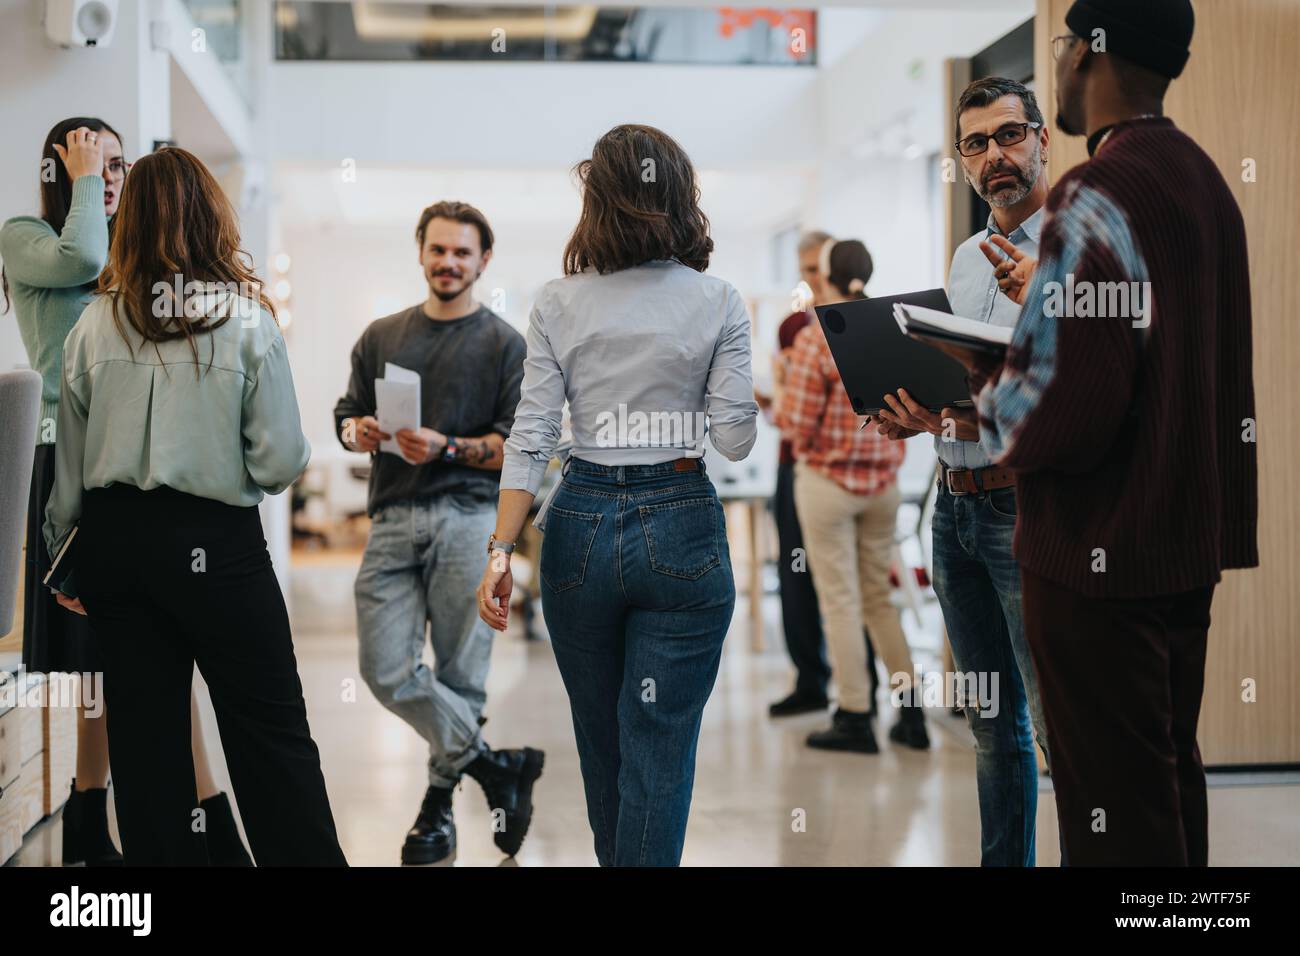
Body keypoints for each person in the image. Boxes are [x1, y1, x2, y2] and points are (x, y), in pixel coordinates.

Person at [947, 0, 1256, 865]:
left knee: (1111, 812)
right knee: (1164, 783)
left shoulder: (1095, 192)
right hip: (1180, 542)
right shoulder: (1202, 180)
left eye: (1062, 46)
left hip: (1099, 553)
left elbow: (1066, 411)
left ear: (1087, 54)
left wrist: (979, 380)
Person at [42, 147, 346, 866]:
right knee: (270, 734)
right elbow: (279, 462)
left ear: (128, 225)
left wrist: (65, 555)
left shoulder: (92, 325)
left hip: (116, 548)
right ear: (212, 217)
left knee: (146, 750)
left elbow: (69, 468)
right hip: (218, 545)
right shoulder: (248, 322)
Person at [476, 124, 758, 867]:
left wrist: (500, 552)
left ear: (595, 199)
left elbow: (531, 436)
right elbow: (735, 441)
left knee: (602, 742)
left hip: (580, 525)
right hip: (681, 521)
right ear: (682, 195)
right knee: (658, 748)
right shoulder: (719, 300)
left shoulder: (557, 301)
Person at [1, 119, 250, 866]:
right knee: (108, 657)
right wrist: (83, 184)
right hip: (67, 463)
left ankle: (102, 812)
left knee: (138, 652)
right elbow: (79, 258)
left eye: (118, 165)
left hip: (137, 464)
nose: (109, 177)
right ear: (61, 169)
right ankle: (199, 816)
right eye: (93, 164)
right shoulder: (28, 237)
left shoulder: (129, 245)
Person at [874, 76, 1052, 866]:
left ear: (1041, 138)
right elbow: (969, 384)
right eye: (975, 144)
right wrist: (921, 413)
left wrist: (965, 413)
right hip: (954, 512)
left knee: (1054, 724)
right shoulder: (967, 257)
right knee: (990, 723)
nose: (994, 156)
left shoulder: (1072, 252)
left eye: (1008, 135)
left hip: (1025, 508)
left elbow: (1067, 393)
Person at [334, 200, 541, 866]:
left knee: (461, 673)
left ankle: (436, 810)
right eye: (438, 249)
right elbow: (346, 414)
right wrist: (358, 431)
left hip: (469, 518)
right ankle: (494, 766)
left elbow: (517, 448)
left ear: (483, 260)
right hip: (393, 518)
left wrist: (447, 447)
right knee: (385, 668)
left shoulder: (506, 345)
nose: (448, 262)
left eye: (462, 252)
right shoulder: (381, 336)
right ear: (421, 251)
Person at [774, 238, 928, 753]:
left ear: (825, 276)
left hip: (829, 487)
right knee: (878, 599)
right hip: (884, 487)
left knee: (840, 601)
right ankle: (911, 713)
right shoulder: (895, 326)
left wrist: (780, 385)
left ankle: (856, 715)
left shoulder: (817, 337)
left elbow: (795, 424)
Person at [762, 230, 881, 718]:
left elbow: (797, 412)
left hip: (823, 469)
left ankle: (860, 693)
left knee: (850, 591)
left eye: (817, 270)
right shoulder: (793, 327)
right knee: (798, 577)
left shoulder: (840, 327)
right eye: (805, 271)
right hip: (799, 465)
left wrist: (782, 396)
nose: (812, 280)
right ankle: (813, 680)